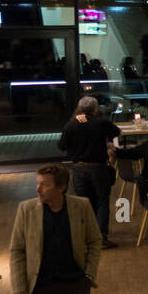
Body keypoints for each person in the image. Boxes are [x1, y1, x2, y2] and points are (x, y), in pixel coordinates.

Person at [9, 163, 103, 294]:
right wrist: (18, 288)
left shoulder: (81, 206)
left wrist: (89, 274)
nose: (38, 189)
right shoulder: (26, 210)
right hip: (40, 286)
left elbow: (95, 241)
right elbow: (16, 251)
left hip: (75, 282)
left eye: (44, 185)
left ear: (61, 188)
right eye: (38, 184)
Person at [57, 96, 121, 249]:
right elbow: (116, 131)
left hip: (78, 168)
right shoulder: (100, 123)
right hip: (98, 167)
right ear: (95, 108)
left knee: (85, 204)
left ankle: (87, 237)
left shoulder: (71, 124)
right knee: (102, 202)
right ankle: (101, 238)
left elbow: (61, 146)